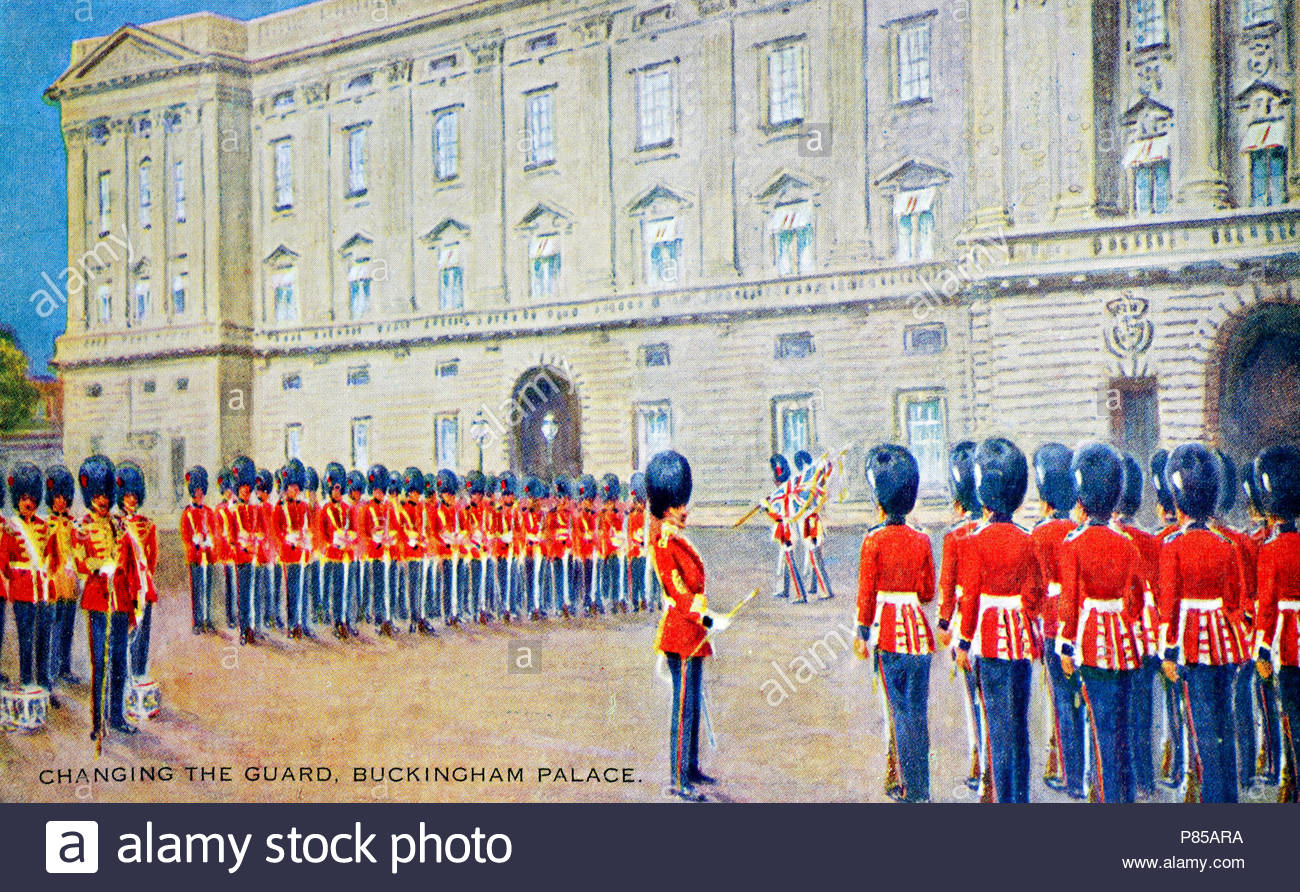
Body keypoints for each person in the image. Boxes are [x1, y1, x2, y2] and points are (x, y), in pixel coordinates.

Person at [1158, 443, 1249, 803]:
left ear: (1179, 500)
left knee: (1204, 729)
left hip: (1192, 643)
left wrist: (1168, 652)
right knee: (1224, 725)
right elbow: (1232, 602)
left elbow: (1169, 605)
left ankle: (1213, 801)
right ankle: (1228, 797)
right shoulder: (1226, 545)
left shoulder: (1173, 548)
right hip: (1224, 643)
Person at [955, 437, 1043, 803]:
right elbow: (1034, 594)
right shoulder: (1027, 538)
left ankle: (1000, 798)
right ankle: (1018, 797)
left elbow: (971, 597)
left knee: (996, 725)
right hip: (1020, 639)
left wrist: (962, 643)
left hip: (989, 639)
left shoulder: (975, 540)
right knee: (1018, 724)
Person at [1057, 442, 1145, 803]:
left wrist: (1065, 646)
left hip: (1092, 644)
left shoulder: (1073, 544)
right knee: (1121, 733)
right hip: (1124, 645)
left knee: (1101, 734)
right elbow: (1136, 601)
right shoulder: (1127, 544)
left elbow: (1070, 603)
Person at [648, 449, 729, 802]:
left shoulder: (676, 536)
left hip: (692, 632)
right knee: (683, 706)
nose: (686, 508)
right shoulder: (665, 541)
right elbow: (680, 593)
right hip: (680, 632)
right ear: (667, 504)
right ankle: (677, 778)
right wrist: (710, 618)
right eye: (680, 502)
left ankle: (690, 766)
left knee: (693, 702)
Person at [856, 444, 934, 802]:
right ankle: (922, 786)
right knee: (918, 714)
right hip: (919, 635)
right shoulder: (922, 540)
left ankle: (908, 787)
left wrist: (861, 633)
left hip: (889, 635)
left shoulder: (873, 541)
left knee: (898, 714)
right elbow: (928, 592)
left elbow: (866, 596)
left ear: (880, 501)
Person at [1030, 443, 1083, 798]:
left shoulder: (1040, 533)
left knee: (1062, 700)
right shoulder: (1079, 530)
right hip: (1085, 622)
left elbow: (1033, 590)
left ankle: (1072, 773)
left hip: (1053, 625)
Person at [1251, 443, 1300, 803]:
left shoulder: (1270, 550)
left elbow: (1266, 607)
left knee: (1291, 715)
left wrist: (1262, 650)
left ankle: (1292, 781)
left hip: (1286, 643)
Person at [1113, 453, 1163, 798]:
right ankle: (1145, 780)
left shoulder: (1108, 539)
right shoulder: (1150, 540)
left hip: (1118, 636)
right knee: (1142, 714)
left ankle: (1126, 781)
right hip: (1147, 638)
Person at [935, 440, 984, 791]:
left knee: (974, 703)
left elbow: (947, 588)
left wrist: (942, 623)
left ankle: (979, 761)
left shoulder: (956, 537)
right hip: (1004, 631)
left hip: (969, 630)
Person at [77, 455, 135, 738]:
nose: (102, 500)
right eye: (97, 495)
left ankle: (116, 716)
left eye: (105, 495)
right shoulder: (82, 527)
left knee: (119, 661)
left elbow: (128, 559)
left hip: (119, 600)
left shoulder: (119, 524)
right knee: (99, 662)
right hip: (98, 600)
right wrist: (99, 566)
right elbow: (78, 563)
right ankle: (97, 722)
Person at [1242, 461, 1282, 786]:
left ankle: (1273, 761)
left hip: (1267, 628)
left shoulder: (1257, 543)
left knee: (1266, 696)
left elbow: (1256, 596)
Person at [4, 462, 55, 706]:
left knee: (44, 638)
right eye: (23, 498)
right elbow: (4, 562)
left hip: (43, 589)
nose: (28, 503)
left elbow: (52, 557)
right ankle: (27, 682)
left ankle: (44, 683)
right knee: (26, 640)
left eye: (32, 498)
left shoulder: (45, 527)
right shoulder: (11, 529)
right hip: (23, 590)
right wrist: (17, 580)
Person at [1150, 447, 1184, 786]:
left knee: (1172, 704)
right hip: (1194, 636)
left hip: (1169, 633)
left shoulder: (1156, 541)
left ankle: (1175, 760)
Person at [116, 462, 158, 678]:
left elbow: (152, 557)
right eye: (127, 495)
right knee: (124, 633)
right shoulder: (115, 525)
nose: (131, 499)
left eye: (134, 495)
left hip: (143, 585)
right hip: (124, 588)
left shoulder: (147, 525)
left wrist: (143, 577)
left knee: (143, 633)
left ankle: (139, 673)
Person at [43, 465, 82, 686]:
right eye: (57, 497)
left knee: (68, 627)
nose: (61, 501)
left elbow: (77, 549)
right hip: (54, 582)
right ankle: (52, 668)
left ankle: (64, 668)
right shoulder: (47, 524)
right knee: (55, 628)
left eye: (64, 497)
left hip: (70, 582)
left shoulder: (72, 523)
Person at [273, 459, 312, 640]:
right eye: (291, 487)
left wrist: (307, 542)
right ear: (285, 488)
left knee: (304, 590)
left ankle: (303, 624)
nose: (294, 491)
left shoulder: (304, 506)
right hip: (289, 553)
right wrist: (290, 540)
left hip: (303, 552)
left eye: (297, 487)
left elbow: (309, 527)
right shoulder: (280, 508)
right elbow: (277, 532)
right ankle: (292, 624)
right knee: (292, 591)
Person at [319, 463, 356, 640]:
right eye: (334, 489)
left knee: (348, 590)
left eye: (339, 489)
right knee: (337, 591)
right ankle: (337, 623)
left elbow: (355, 531)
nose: (337, 492)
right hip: (333, 556)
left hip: (347, 555)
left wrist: (350, 539)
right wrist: (333, 543)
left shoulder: (348, 509)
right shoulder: (325, 510)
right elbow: (322, 535)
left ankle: (346, 621)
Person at [764, 454, 807, 603]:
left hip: (787, 532)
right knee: (784, 562)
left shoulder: (781, 494)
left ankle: (801, 594)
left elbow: (777, 516)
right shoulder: (785, 491)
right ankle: (783, 589)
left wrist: (766, 507)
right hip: (788, 530)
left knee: (790, 561)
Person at [179, 465, 216, 635]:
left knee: (207, 588)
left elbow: (213, 531)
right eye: (196, 491)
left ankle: (207, 618)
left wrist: (208, 541)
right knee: (197, 589)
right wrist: (194, 543)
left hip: (207, 555)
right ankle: (197, 621)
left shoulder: (208, 512)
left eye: (201, 490)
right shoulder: (186, 513)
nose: (198, 494)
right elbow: (186, 536)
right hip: (195, 556)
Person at [227, 457, 260, 645]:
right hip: (242, 557)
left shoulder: (253, 510)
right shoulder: (234, 511)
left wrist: (256, 541)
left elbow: (259, 531)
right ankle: (244, 628)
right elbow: (232, 538)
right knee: (244, 595)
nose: (246, 493)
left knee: (254, 593)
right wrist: (243, 546)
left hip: (254, 555)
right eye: (243, 490)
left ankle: (252, 627)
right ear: (238, 490)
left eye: (248, 490)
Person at [795, 450, 835, 600]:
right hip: (810, 521)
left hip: (811, 523)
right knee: (814, 556)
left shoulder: (810, 483)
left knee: (815, 557)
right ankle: (813, 586)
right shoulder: (811, 481)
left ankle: (826, 590)